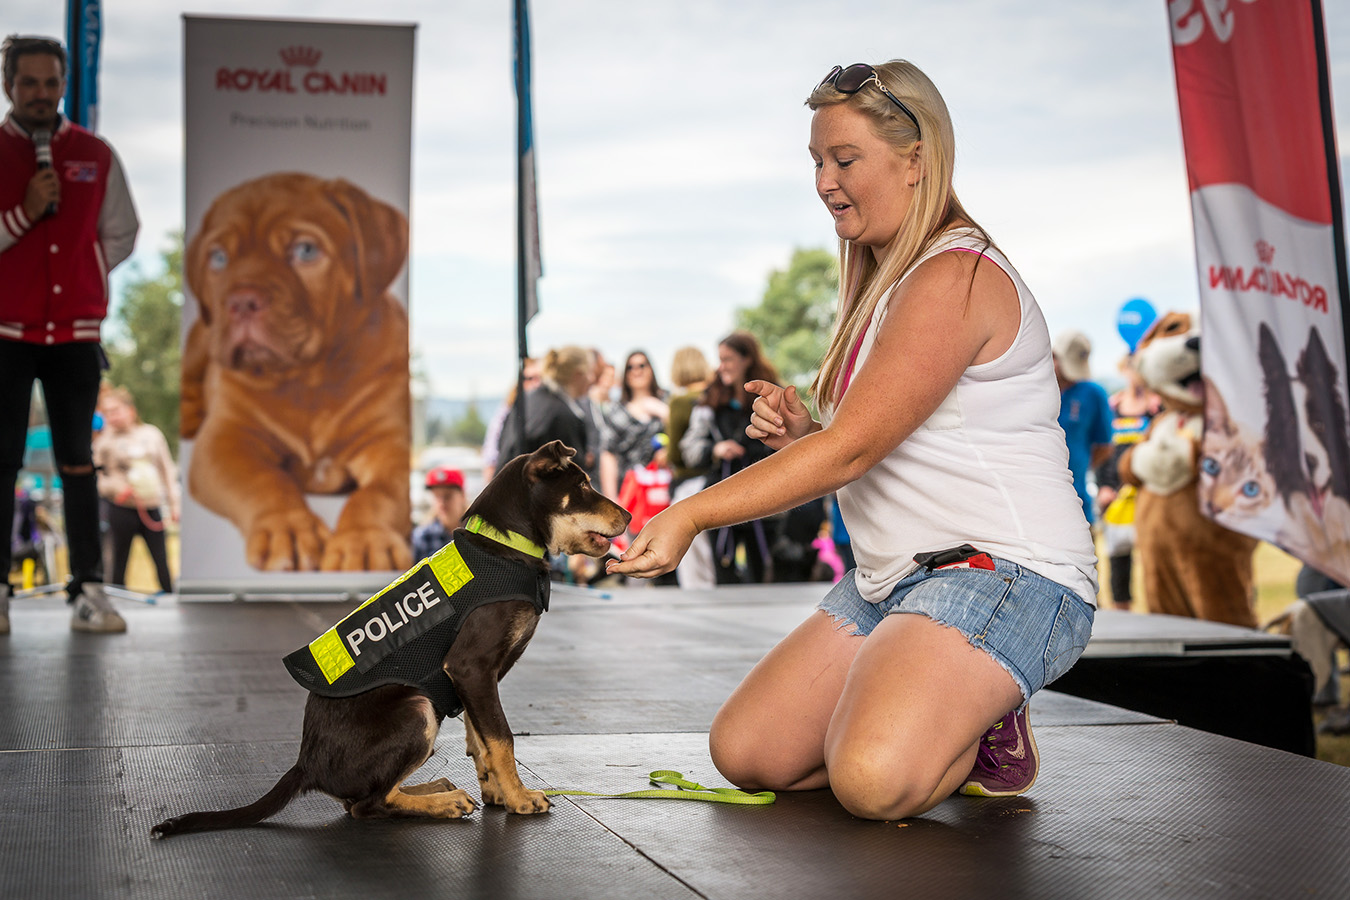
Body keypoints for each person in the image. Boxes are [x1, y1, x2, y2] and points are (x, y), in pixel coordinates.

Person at [609, 60, 1097, 821]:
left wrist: (692, 513)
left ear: (916, 161)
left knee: (870, 778)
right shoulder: (885, 282)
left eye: (844, 159)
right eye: (816, 161)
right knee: (747, 753)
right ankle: (940, 689)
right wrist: (809, 435)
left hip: (1010, 574)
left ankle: (979, 712)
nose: (824, 181)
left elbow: (854, 451)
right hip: (894, 579)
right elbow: (865, 444)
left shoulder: (953, 276)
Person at [0, 35, 139, 634]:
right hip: (6, 329)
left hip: (77, 333)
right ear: (8, 85)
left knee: (78, 461)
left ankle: (87, 588)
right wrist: (25, 213)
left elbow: (121, 233)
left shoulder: (94, 154)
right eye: (27, 82)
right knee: (2, 459)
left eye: (50, 83)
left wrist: (80, 275)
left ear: (63, 85)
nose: (40, 94)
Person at [679, 332, 782, 584]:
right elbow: (689, 448)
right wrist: (715, 450)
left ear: (747, 359)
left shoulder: (771, 397)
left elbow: (788, 444)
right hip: (721, 495)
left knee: (763, 572)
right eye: (720, 359)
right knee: (723, 572)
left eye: (728, 359)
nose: (721, 366)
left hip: (764, 499)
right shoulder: (708, 401)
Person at [1093, 353, 1162, 610]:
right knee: (1118, 560)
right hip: (1117, 498)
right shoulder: (1113, 407)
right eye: (1132, 368)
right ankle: (1123, 614)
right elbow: (1103, 450)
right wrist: (1105, 487)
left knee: (1155, 560)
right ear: (1124, 370)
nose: (1137, 373)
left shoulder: (1157, 408)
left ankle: (1160, 614)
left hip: (1149, 495)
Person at [93, 386, 179, 594]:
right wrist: (116, 489)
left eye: (116, 410)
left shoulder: (151, 434)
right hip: (121, 508)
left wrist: (174, 503)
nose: (113, 416)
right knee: (118, 561)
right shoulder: (103, 442)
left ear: (130, 410)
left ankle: (169, 596)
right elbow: (97, 477)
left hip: (152, 507)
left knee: (161, 560)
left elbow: (167, 470)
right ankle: (116, 598)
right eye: (108, 412)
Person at [665, 345, 717, 589]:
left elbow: (675, 453)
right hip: (719, 481)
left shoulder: (681, 401)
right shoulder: (716, 394)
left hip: (690, 484)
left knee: (694, 570)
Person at [1052, 329, 1113, 530]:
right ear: (1053, 357)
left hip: (1077, 504)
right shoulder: (1030, 389)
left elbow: (1105, 446)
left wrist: (1077, 467)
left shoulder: (1093, 393)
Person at [497, 345, 593, 463]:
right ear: (578, 374)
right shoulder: (562, 414)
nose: (591, 379)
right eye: (589, 372)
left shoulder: (527, 400)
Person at [600, 350, 669, 499]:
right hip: (629, 494)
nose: (636, 371)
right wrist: (612, 500)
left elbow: (683, 434)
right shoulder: (616, 411)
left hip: (663, 491)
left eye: (642, 365)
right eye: (630, 367)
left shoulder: (666, 401)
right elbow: (608, 455)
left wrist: (664, 412)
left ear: (651, 369)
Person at [481, 358, 540, 481]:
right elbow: (492, 445)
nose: (535, 383)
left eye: (539, 378)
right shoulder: (508, 409)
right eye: (529, 378)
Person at [411, 466, 467, 561]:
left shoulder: (475, 534)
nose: (442, 503)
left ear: (462, 496)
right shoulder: (423, 537)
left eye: (448, 496)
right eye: (437, 496)